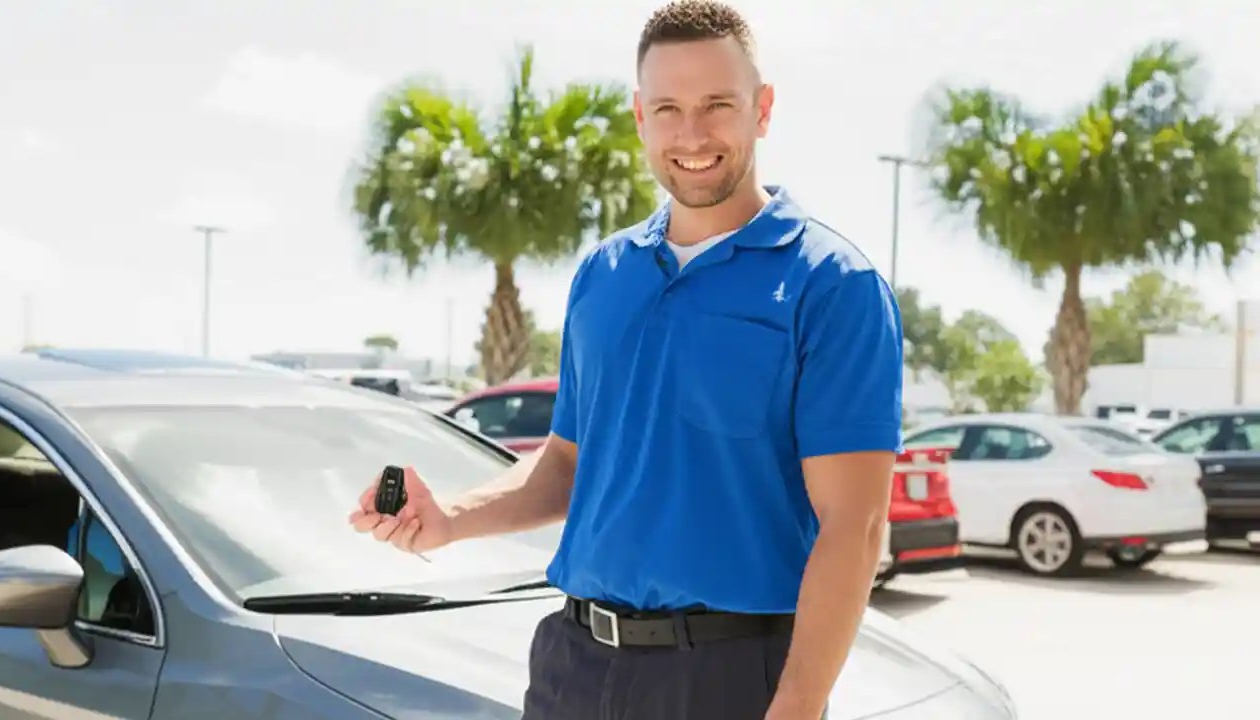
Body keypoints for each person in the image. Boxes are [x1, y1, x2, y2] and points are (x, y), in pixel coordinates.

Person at [349, 1, 904, 718]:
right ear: (640, 117)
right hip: (573, 668)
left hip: (730, 680)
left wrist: (798, 703)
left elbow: (854, 528)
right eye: (668, 107)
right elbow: (569, 467)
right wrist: (448, 517)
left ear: (762, 110)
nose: (693, 133)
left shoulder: (833, 285)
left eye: (718, 105)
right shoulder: (604, 274)